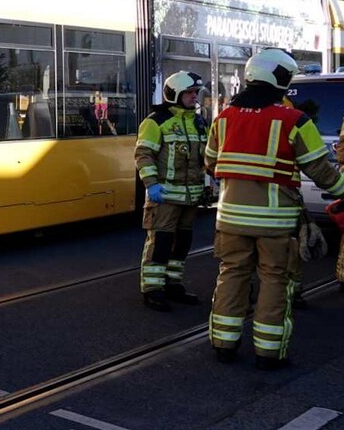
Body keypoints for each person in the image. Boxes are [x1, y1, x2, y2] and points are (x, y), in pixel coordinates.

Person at [205, 48, 344, 370]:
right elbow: (320, 170)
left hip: (230, 217)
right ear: (279, 79)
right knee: (273, 280)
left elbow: (211, 163)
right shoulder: (294, 120)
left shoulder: (224, 117)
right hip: (274, 220)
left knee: (231, 275)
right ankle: (268, 351)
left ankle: (223, 343)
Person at [135, 71, 208, 311]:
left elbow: (205, 157)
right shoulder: (156, 121)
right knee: (160, 243)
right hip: (164, 196)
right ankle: (153, 289)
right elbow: (143, 155)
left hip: (190, 196)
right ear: (174, 93)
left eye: (195, 93)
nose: (194, 97)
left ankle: (173, 283)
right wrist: (151, 184)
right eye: (189, 93)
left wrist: (210, 183)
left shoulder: (198, 121)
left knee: (182, 244)